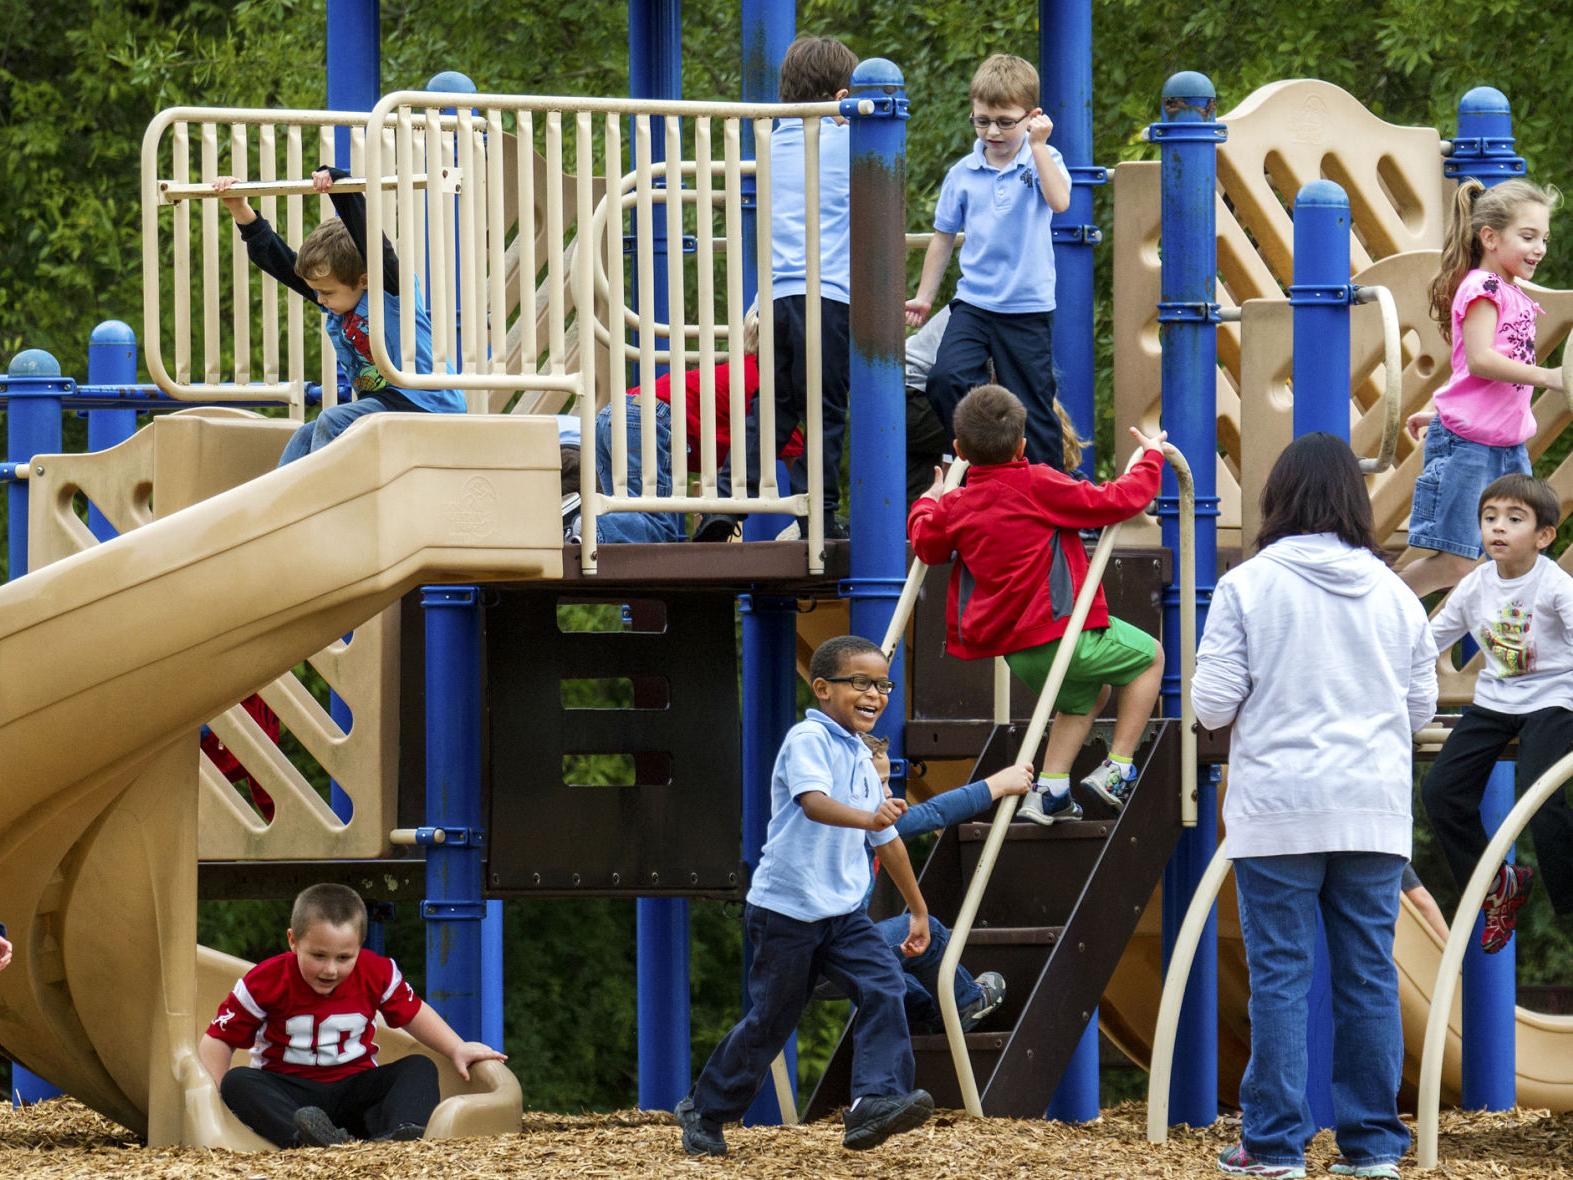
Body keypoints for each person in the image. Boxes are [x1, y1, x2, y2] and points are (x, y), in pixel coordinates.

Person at [1192, 433, 1438, 1180]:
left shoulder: (1247, 586)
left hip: (1279, 806)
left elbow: (1210, 707)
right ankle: (1373, 1146)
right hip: (1371, 808)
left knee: (1280, 976)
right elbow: (1420, 708)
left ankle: (1273, 1146)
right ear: (1355, 503)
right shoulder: (1396, 595)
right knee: (1367, 976)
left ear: (1278, 499)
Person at [675, 636, 934, 1156]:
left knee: (885, 985)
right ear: (822, 688)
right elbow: (814, 803)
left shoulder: (862, 754)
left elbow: (886, 839)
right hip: (785, 911)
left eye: (882, 685)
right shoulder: (808, 739)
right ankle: (706, 1110)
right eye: (860, 682)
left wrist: (919, 909)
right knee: (773, 1020)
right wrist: (870, 817)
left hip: (843, 914)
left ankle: (873, 1103)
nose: (875, 694)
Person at [907, 384, 1167, 822]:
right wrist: (1151, 459)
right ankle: (1118, 767)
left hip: (1017, 651)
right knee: (1150, 658)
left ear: (959, 451)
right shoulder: (1037, 483)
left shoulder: (956, 504)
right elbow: (1116, 500)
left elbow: (928, 546)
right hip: (1064, 632)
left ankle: (1050, 790)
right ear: (1022, 446)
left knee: (1085, 698)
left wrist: (926, 504)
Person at [695, 35, 857, 542]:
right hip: (828, 297)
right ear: (842, 97)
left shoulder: (773, 143)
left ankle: (727, 501)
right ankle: (819, 512)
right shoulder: (849, 141)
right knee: (824, 409)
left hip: (778, 299)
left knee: (773, 406)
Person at [199, 883, 505, 1148]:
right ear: (293, 941)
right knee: (238, 1081)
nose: (330, 969)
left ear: (359, 947)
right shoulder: (264, 981)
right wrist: (210, 1097)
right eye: (318, 955)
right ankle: (304, 1139)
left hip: (353, 1088)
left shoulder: (376, 972)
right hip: (291, 1095)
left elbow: (413, 1013)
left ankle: (400, 1138)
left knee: (419, 1067)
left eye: (344, 957)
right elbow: (219, 1039)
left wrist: (456, 1047)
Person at [213, 168, 467, 465]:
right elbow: (279, 263)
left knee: (332, 421)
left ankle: (324, 490)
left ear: (364, 279)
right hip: (385, 405)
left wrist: (341, 187)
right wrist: (240, 210)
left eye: (326, 292)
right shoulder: (340, 301)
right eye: (317, 292)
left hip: (428, 404)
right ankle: (281, 493)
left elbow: (372, 241)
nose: (320, 299)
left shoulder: (390, 294)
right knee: (306, 434)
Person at [1420, 473, 1573, 954]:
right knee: (1441, 791)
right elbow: (1427, 642)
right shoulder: (1476, 585)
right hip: (1494, 702)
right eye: (1489, 518)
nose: (1498, 528)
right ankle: (1496, 886)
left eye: (1514, 519)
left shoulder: (1554, 585)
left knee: (1541, 798)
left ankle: (1570, 906)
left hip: (1553, 699)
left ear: (1544, 536)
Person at [906, 54, 1072, 471]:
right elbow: (943, 237)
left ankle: (1052, 493)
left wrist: (1038, 146)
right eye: (982, 121)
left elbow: (1060, 202)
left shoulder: (1042, 159)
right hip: (975, 304)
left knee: (1034, 404)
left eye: (1004, 122)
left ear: (1032, 117)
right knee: (945, 378)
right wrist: (925, 297)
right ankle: (980, 461)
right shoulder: (963, 173)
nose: (992, 132)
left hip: (1026, 308)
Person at [1400, 178, 1562, 596]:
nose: (1540, 248)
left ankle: (1505, 634)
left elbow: (1466, 372)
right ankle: (1376, 614)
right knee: (1457, 561)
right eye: (1528, 236)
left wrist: (1438, 410)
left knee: (1516, 554)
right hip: (1470, 448)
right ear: (1490, 237)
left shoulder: (1511, 292)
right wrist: (1549, 377)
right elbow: (1480, 360)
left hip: (1507, 446)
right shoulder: (1483, 287)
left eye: (1543, 238)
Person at [826, 733, 1031, 1033]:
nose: (889, 793)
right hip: (837, 955)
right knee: (928, 933)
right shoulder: (865, 823)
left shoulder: (825, 824)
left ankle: (925, 1016)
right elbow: (935, 812)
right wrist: (1000, 784)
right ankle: (968, 999)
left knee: (899, 975)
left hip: (812, 962)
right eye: (880, 783)